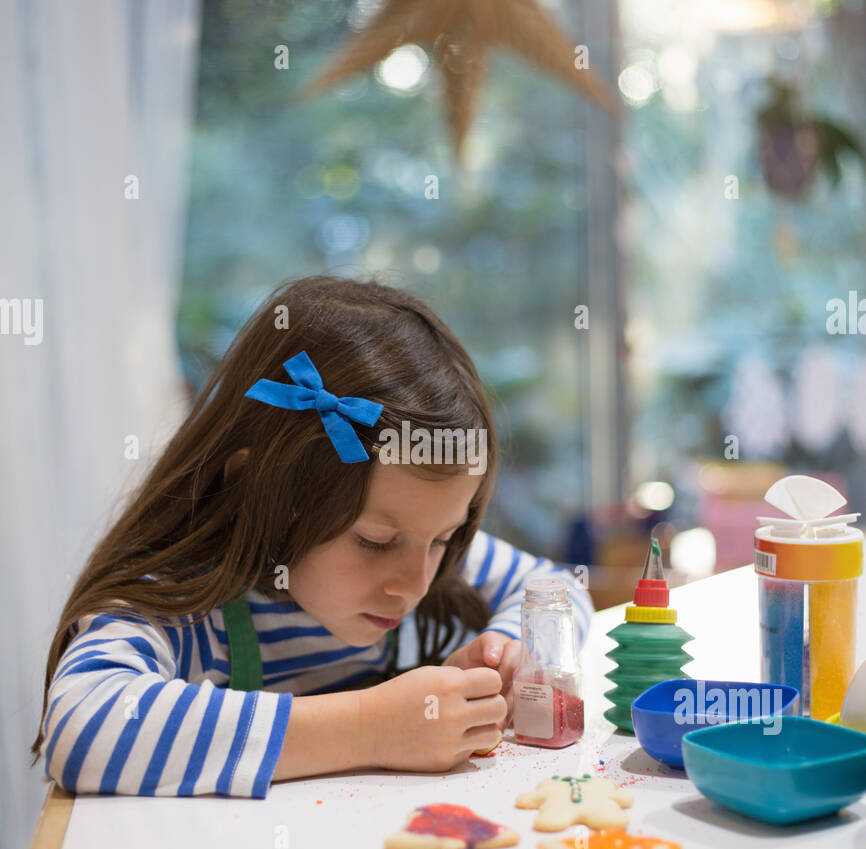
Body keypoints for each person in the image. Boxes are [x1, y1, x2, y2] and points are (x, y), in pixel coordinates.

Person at [32, 275, 593, 798]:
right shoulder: (179, 603)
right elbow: (84, 726)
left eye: (446, 538)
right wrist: (371, 727)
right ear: (257, 490)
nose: (415, 584)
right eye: (374, 541)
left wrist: (516, 651)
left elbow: (559, 588)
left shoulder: (425, 559)